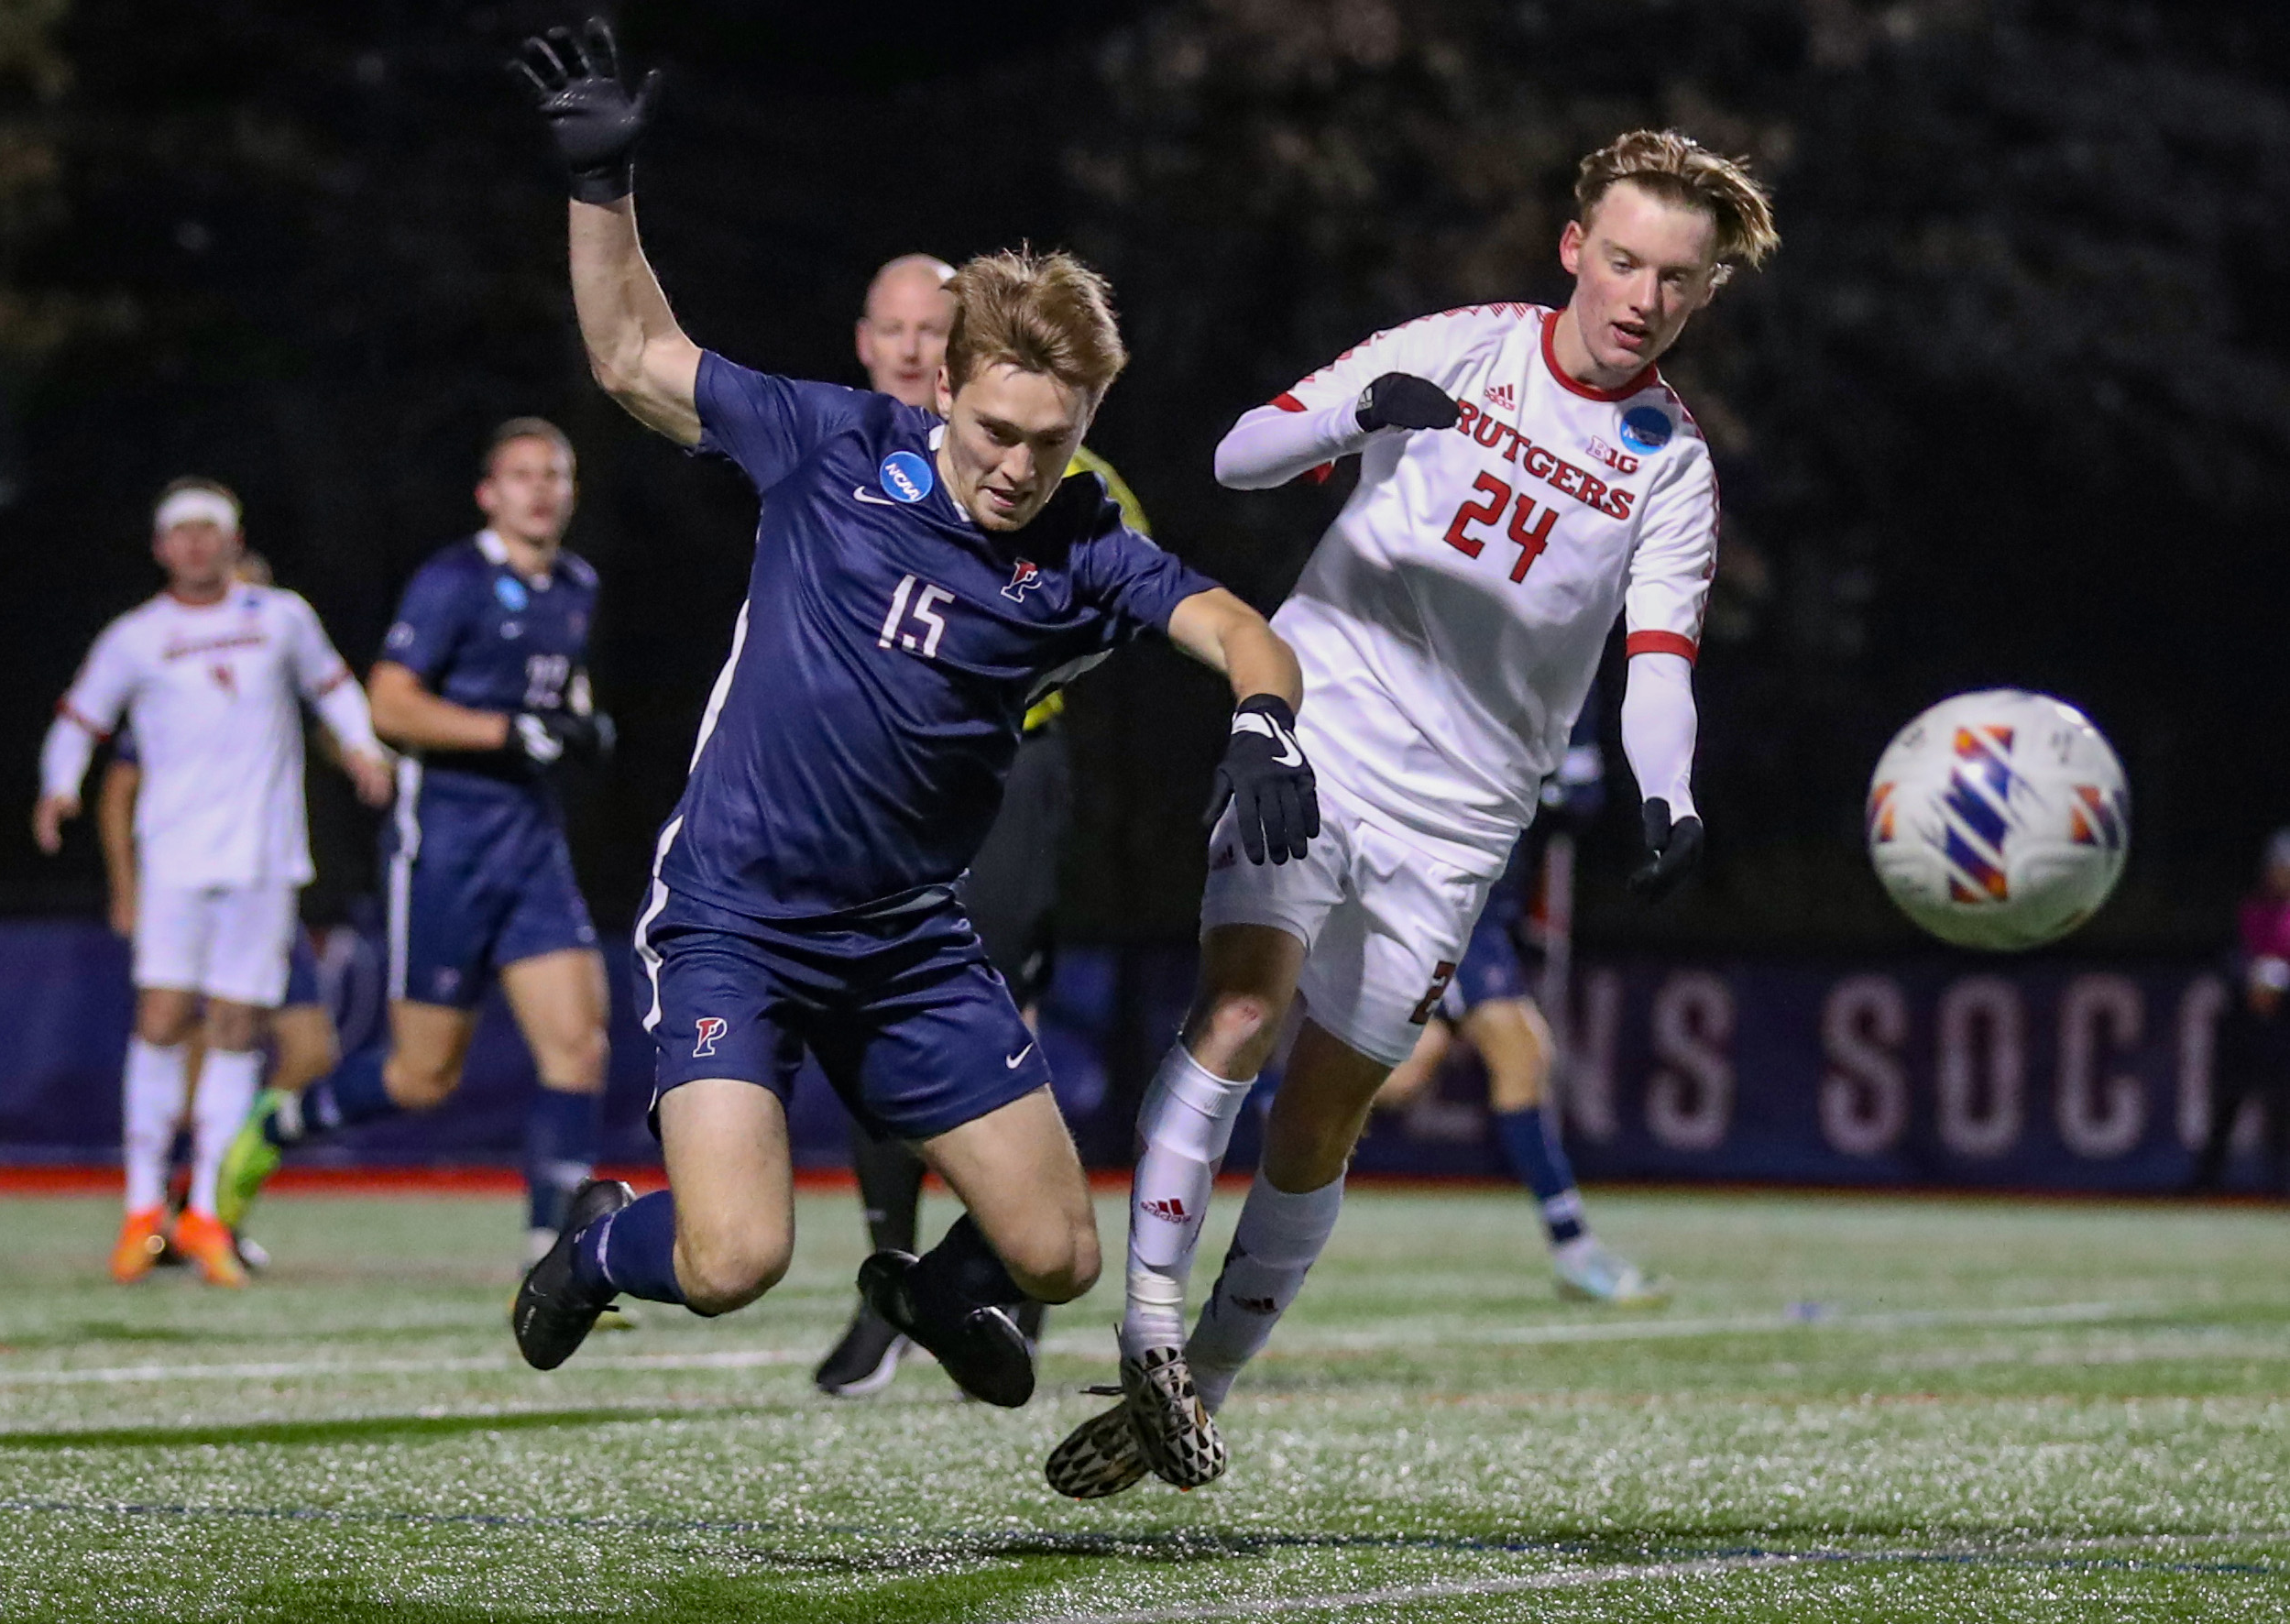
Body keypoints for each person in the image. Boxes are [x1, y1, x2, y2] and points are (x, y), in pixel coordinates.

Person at [501, 20, 1314, 1411]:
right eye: (995, 431)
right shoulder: (832, 445)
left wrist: (1263, 721)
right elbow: (635, 354)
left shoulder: (1085, 545)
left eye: (1049, 442)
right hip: (736, 917)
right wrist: (600, 193)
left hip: (904, 940)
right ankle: (595, 1250)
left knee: (1058, 1257)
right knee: (731, 1259)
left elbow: (1245, 631)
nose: (1015, 466)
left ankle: (928, 1294)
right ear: (943, 384)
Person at [1046, 128, 1777, 1498]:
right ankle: (1147, 1325)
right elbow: (1239, 454)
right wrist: (1352, 415)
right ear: (1574, 247)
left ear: (1703, 294)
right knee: (1241, 1011)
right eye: (1621, 259)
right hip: (1313, 736)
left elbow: (1659, 664)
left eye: (1674, 279)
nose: (1639, 295)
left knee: (1323, 1114)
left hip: (1461, 827)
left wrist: (1668, 793)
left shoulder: (1669, 464)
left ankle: (1191, 1387)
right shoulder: (1461, 346)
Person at [816, 253, 1162, 1399]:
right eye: (898, 328)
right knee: (857, 1009)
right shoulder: (844, 458)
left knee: (985, 1009)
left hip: (1006, 768)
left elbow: (1133, 596)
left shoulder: (1063, 468)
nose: (915, 348)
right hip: (862, 773)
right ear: (868, 342)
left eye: (936, 328)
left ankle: (984, 1276)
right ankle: (889, 1282)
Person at [214, 419, 617, 1267]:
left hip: (531, 847)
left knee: (579, 1046)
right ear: (488, 493)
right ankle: (276, 1124)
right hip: (445, 850)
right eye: (521, 474)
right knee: (421, 1078)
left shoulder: (575, 584)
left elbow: (556, 696)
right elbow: (389, 705)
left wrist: (576, 725)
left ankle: (555, 1256)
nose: (540, 488)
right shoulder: (453, 580)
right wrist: (508, 734)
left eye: (555, 473)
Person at [35, 478, 391, 1287]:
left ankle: (203, 1221)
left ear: (232, 541)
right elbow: (80, 719)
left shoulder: (281, 618)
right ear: (162, 548)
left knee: (238, 1031)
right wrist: (60, 784)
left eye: (209, 531)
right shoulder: (137, 637)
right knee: (162, 1019)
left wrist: (364, 746)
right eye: (181, 533)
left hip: (264, 860)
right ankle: (138, 1212)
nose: (195, 545)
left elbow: (333, 687)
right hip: (174, 860)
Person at [1372, 696, 1667, 1304]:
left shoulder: (1570, 685)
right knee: (1522, 1054)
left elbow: (1581, 801)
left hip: (1491, 902)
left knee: (1403, 1074)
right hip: (1451, 895)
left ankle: (1241, 1107)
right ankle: (1575, 1250)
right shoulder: (1473, 667)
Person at [2187, 829, 2290, 1191]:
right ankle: (2206, 1185)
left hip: (2283, 1031)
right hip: (2244, 1029)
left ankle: (2279, 1188)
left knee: (2280, 1114)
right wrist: (2250, 978)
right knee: (2227, 1107)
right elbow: (2228, 958)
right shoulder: (2250, 909)